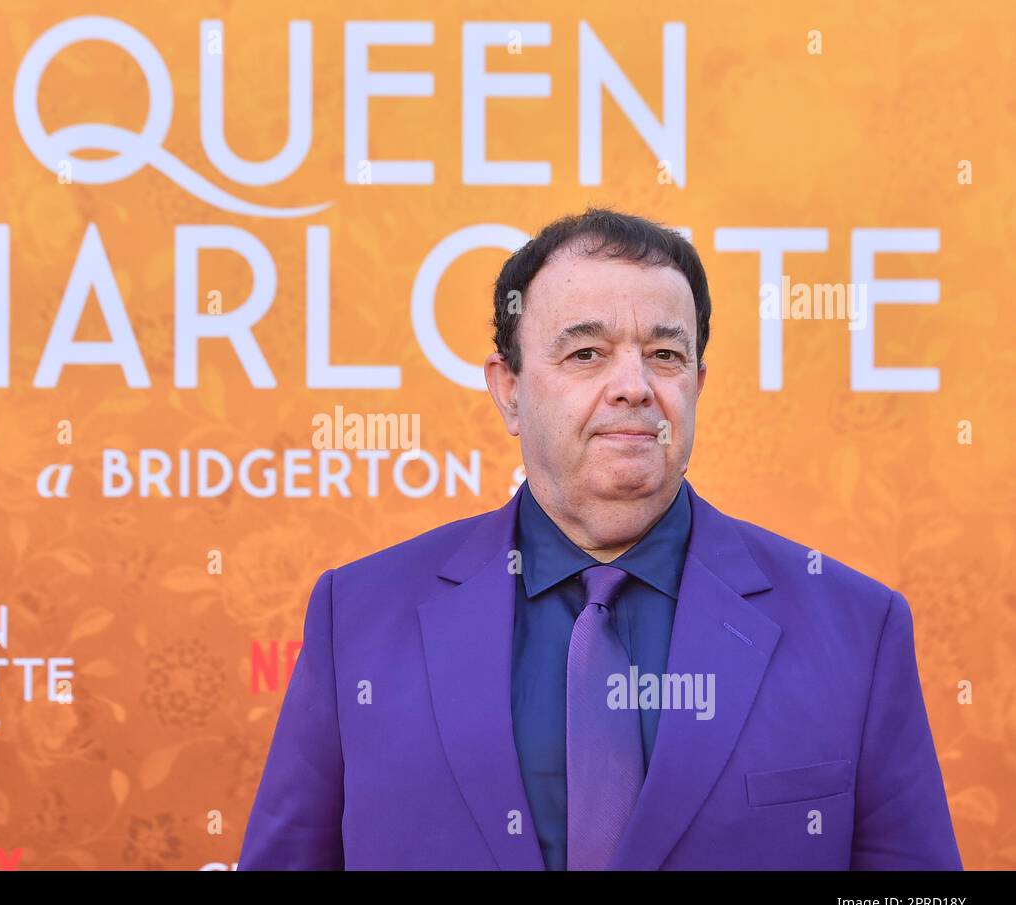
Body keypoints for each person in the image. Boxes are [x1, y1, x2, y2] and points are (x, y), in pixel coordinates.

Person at [237, 208, 963, 870]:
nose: (634, 386)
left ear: (698, 384)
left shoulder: (856, 629)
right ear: (509, 388)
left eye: (665, 355)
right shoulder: (357, 615)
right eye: (586, 352)